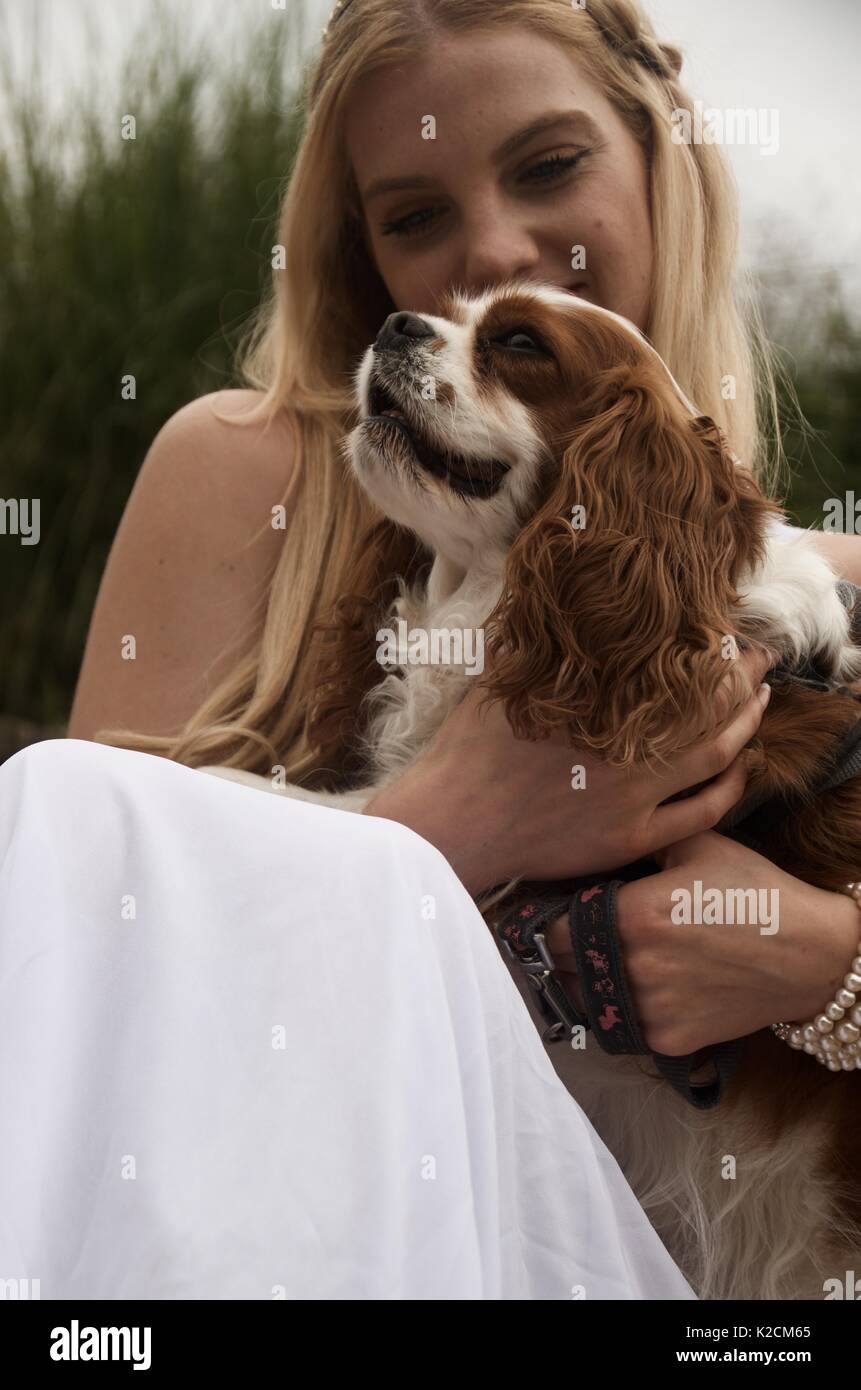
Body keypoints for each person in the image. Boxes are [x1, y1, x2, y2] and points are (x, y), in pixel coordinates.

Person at [2, 0, 857, 1299]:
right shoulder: (242, 473)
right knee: (64, 798)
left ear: (659, 148)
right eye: (411, 216)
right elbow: (81, 989)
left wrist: (829, 969)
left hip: (714, 1266)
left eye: (548, 165)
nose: (489, 250)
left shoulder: (818, 599)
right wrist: (451, 818)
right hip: (290, 1234)